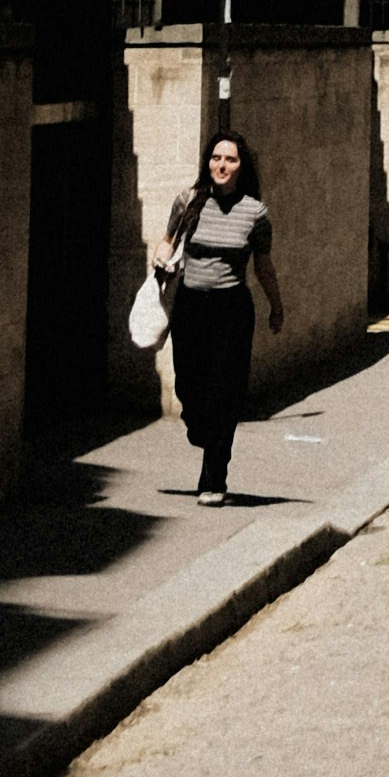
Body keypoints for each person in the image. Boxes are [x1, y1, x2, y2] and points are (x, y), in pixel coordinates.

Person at [157, 129, 280, 503]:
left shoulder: (254, 213)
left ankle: (214, 481)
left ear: (242, 167)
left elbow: (263, 266)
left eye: (230, 159)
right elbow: (168, 240)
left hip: (231, 310)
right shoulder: (189, 201)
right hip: (191, 307)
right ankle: (201, 431)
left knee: (224, 394)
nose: (221, 165)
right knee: (189, 389)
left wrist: (277, 305)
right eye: (215, 158)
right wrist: (161, 256)